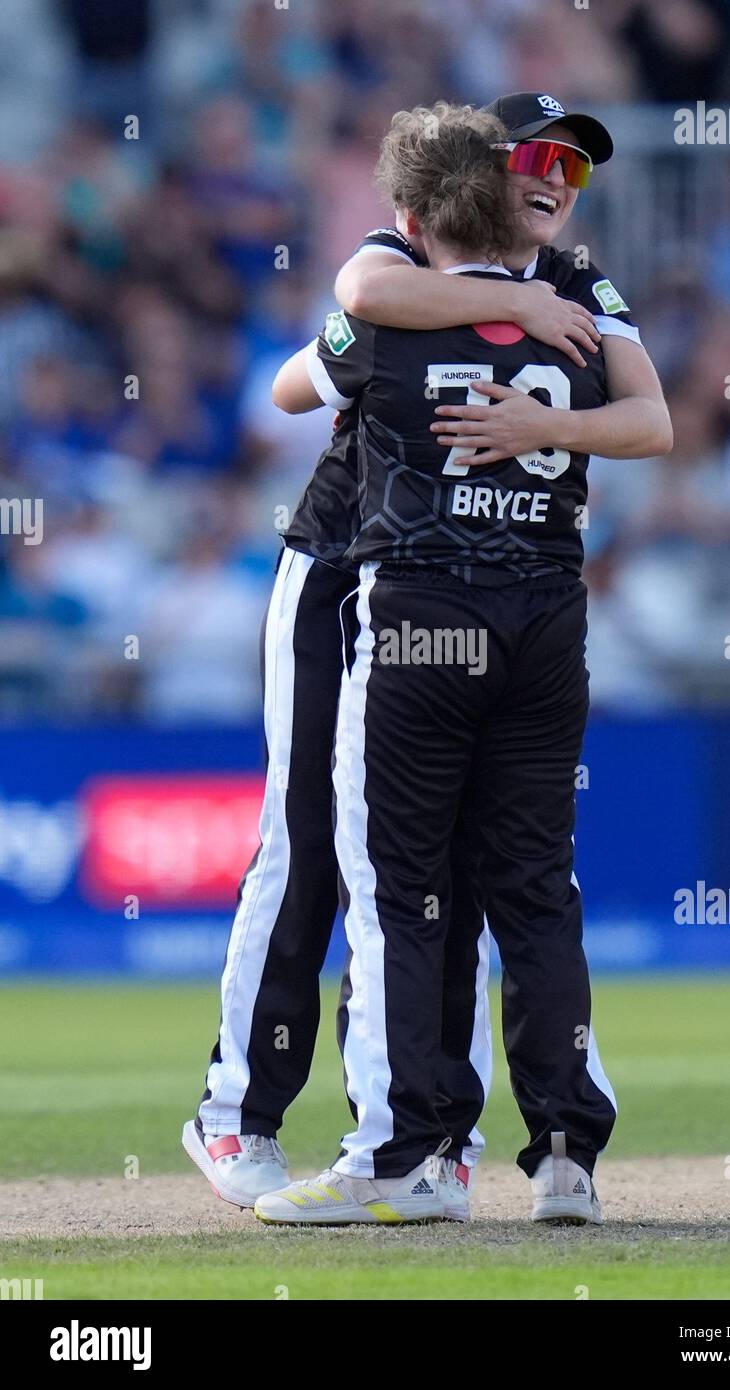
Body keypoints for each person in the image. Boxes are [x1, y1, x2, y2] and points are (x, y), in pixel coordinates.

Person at [182, 91, 631, 1217]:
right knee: (310, 840)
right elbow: (346, 314)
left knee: (438, 870)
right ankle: (237, 1111)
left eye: (571, 169)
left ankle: (433, 1136)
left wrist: (526, 329)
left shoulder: (574, 276)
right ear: (477, 173)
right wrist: (509, 311)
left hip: (450, 591)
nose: (552, 182)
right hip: (339, 561)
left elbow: (647, 413)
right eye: (534, 158)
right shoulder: (405, 251)